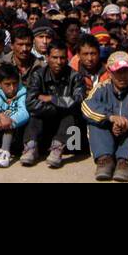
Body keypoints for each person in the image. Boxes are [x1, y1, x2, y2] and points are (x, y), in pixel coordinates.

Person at [80, 51, 128, 182]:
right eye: (118, 72)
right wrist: (110, 118)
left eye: (126, 71)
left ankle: (125, 162)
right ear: (109, 72)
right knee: (95, 121)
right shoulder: (101, 89)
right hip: (108, 134)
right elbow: (87, 106)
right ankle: (105, 160)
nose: (122, 76)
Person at [25, 39, 85, 168]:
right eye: (55, 57)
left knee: (70, 115)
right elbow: (30, 103)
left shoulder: (75, 77)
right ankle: (31, 147)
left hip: (69, 130)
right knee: (36, 114)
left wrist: (53, 99)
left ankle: (57, 149)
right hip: (44, 123)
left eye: (62, 58)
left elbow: (78, 101)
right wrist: (60, 106)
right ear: (47, 57)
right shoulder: (38, 75)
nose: (59, 62)